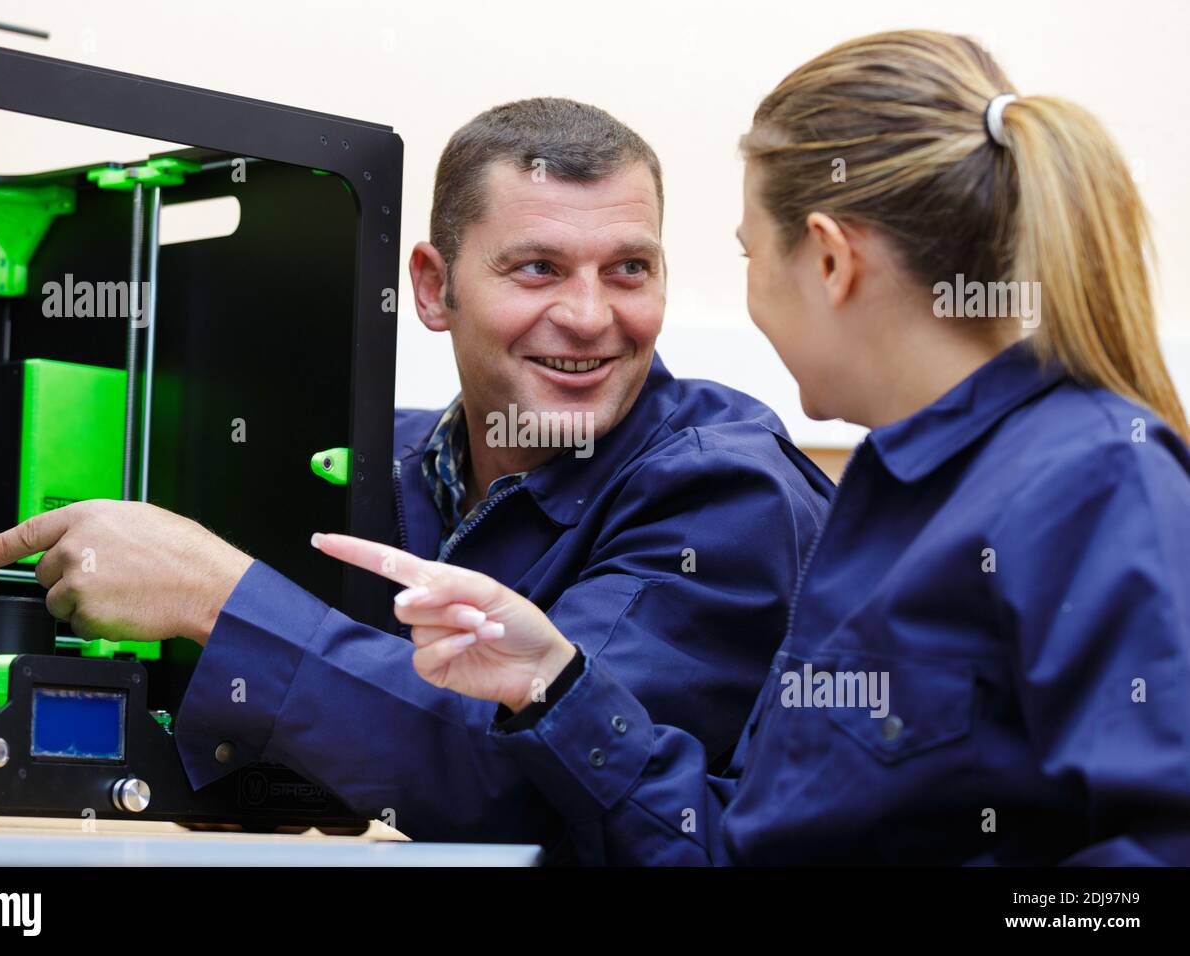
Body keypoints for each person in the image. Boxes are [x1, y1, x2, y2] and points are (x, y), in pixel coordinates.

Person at [316, 31, 1190, 865]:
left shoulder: (1092, 482)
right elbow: (746, 849)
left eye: (749, 255)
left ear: (829, 261)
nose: (591, 316)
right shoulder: (892, 496)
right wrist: (554, 682)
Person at [0, 98, 832, 850]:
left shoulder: (724, 493)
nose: (588, 315)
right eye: (538, 268)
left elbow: (533, 780)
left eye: (629, 270)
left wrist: (216, 600)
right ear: (431, 287)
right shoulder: (376, 462)